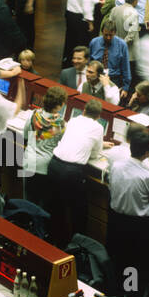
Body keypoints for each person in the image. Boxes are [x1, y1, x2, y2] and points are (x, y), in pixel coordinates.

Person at [106, 126, 149, 297]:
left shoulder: (116, 165)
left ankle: (117, 291)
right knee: (134, 264)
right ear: (147, 153)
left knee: (118, 258)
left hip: (116, 220)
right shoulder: (146, 176)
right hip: (138, 227)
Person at [48, 98, 107, 245]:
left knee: (57, 206)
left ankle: (56, 241)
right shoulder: (99, 127)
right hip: (71, 172)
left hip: (54, 165)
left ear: (84, 110)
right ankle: (77, 244)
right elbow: (95, 154)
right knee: (79, 210)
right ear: (99, 116)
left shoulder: (73, 120)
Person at [21, 84, 66, 206]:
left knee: (27, 203)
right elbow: (64, 145)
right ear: (60, 105)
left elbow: (25, 135)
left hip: (28, 162)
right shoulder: (60, 124)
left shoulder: (33, 115)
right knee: (41, 206)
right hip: (44, 167)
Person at [63, 0, 97, 65]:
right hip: (79, 19)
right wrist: (90, 23)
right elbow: (87, 7)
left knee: (70, 40)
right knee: (81, 42)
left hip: (70, 14)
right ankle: (80, 63)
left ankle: (68, 60)